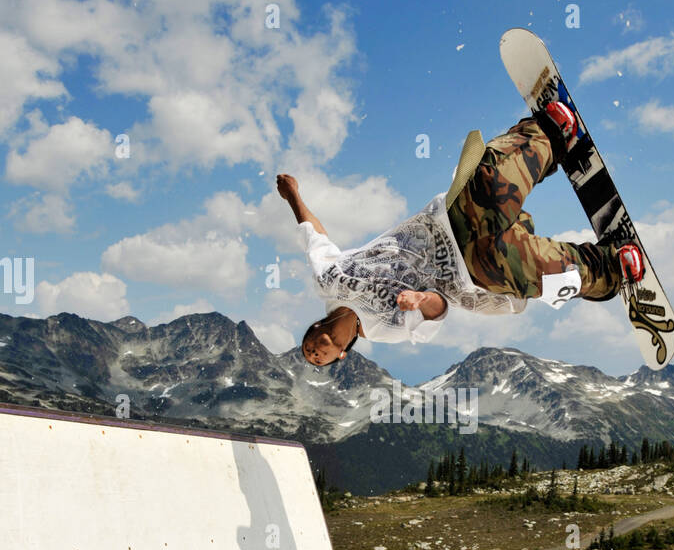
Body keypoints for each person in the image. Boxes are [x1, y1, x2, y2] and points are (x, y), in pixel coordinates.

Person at [276, 104, 644, 367]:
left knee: (486, 183)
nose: (313, 354)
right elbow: (438, 312)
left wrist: (294, 195)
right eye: (318, 360)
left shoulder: (327, 281)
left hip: (447, 221)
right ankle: (608, 270)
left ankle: (546, 136)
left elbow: (315, 236)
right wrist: (423, 300)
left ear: (312, 331)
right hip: (472, 272)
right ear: (341, 354)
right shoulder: (383, 330)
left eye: (308, 350)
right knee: (520, 270)